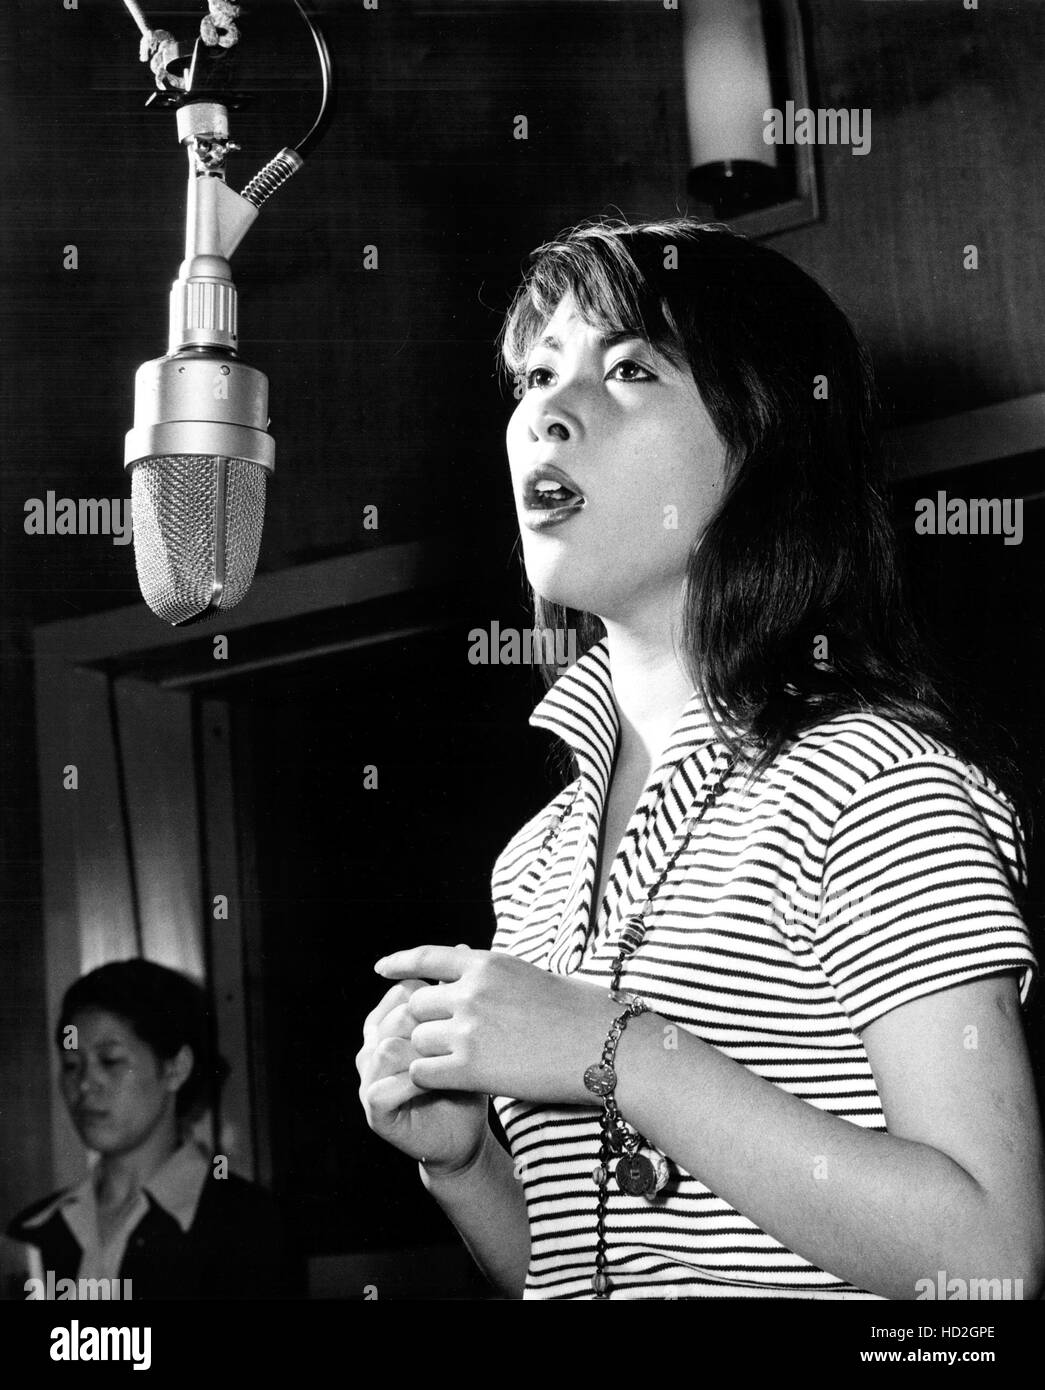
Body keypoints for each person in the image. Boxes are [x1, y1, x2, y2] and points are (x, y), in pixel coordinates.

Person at [357, 216, 1044, 1300]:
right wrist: (464, 1164)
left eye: (629, 368)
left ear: (764, 447)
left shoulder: (873, 782)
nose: (546, 410)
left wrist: (617, 1049)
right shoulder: (535, 861)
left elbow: (988, 1261)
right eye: (538, 374)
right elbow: (588, 1269)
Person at [4, 959, 298, 1299]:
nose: (84, 1084)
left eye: (111, 1061)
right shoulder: (32, 1232)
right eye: (71, 1065)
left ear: (176, 1069)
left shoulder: (247, 1225)